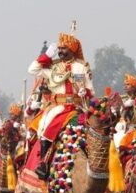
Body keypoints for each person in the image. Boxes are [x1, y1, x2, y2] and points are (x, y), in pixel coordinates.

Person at [28, 31, 94, 179]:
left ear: (72, 49)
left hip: (78, 107)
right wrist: (46, 56)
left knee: (97, 132)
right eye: (59, 48)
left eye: (64, 48)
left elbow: (91, 90)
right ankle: (43, 164)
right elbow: (32, 70)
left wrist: (85, 92)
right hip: (58, 107)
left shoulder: (82, 67)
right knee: (46, 131)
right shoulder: (53, 67)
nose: (61, 51)